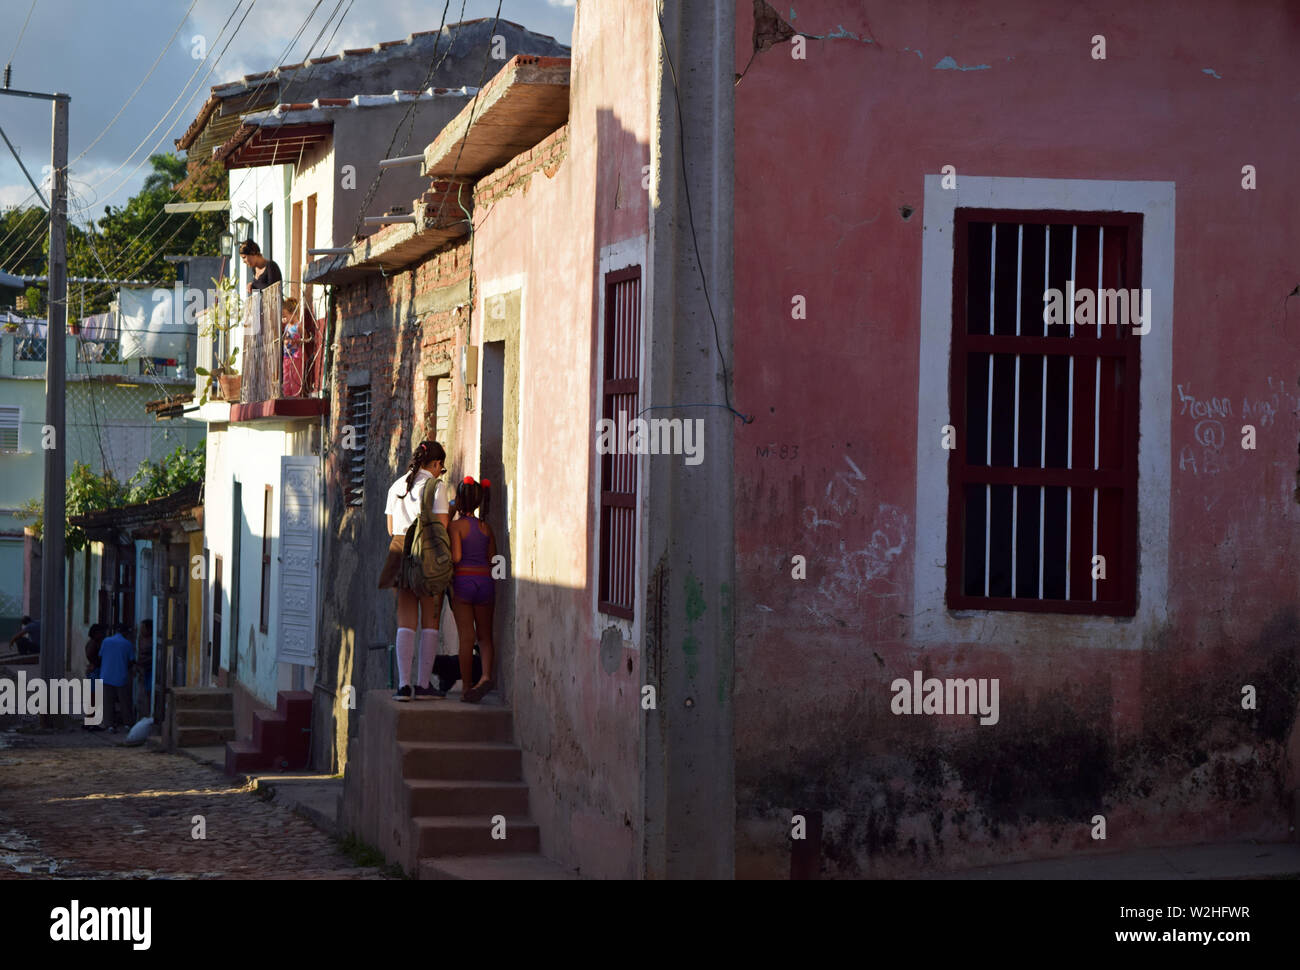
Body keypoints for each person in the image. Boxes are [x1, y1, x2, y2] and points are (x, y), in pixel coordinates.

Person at [379, 440, 449, 701]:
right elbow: (441, 525)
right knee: (430, 618)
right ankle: (422, 684)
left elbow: (390, 529)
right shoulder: (435, 486)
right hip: (426, 555)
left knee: (405, 621)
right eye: (441, 468)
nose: (440, 472)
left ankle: (403, 686)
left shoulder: (396, 485)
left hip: (399, 554)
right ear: (435, 464)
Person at [449, 477, 497, 704]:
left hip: (463, 583)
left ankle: (467, 687)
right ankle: (486, 676)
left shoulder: (455, 526)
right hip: (485, 582)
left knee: (467, 638)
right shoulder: (487, 528)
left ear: (459, 500)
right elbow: (493, 560)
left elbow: (456, 557)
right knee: (485, 637)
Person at [97, 623, 135, 733]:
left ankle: (110, 725)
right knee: (124, 702)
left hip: (106, 675)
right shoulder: (127, 644)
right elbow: (131, 660)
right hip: (121, 676)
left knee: (108, 702)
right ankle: (127, 724)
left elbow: (100, 656)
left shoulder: (106, 641)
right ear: (126, 633)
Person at [280, 297, 305, 398]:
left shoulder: (298, 326)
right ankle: (287, 396)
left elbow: (305, 338)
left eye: (285, 316)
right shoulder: (287, 326)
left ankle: (296, 396)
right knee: (286, 377)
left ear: (293, 313)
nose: (284, 319)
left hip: (295, 355)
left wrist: (296, 341)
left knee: (295, 377)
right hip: (287, 356)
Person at [134, 619, 154, 723]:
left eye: (143, 628)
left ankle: (149, 716)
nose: (141, 630)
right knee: (142, 695)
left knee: (150, 692)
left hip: (150, 670)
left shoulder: (153, 640)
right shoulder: (141, 638)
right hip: (142, 670)